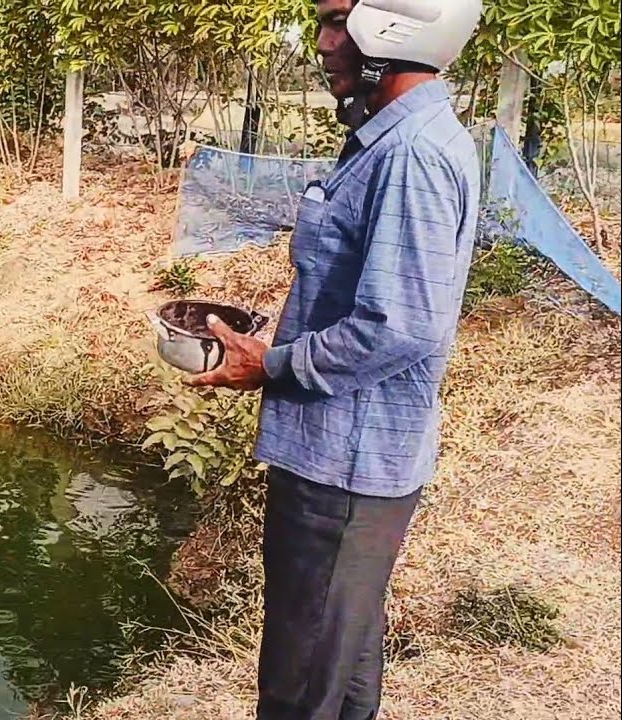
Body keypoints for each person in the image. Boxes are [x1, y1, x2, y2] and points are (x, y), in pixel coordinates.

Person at [184, 0, 484, 718]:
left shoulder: (409, 154)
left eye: (335, 22)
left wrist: (273, 365)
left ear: (395, 28)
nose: (321, 44)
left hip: (342, 466)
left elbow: (400, 325)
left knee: (298, 683)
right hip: (355, 459)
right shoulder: (397, 138)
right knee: (341, 666)